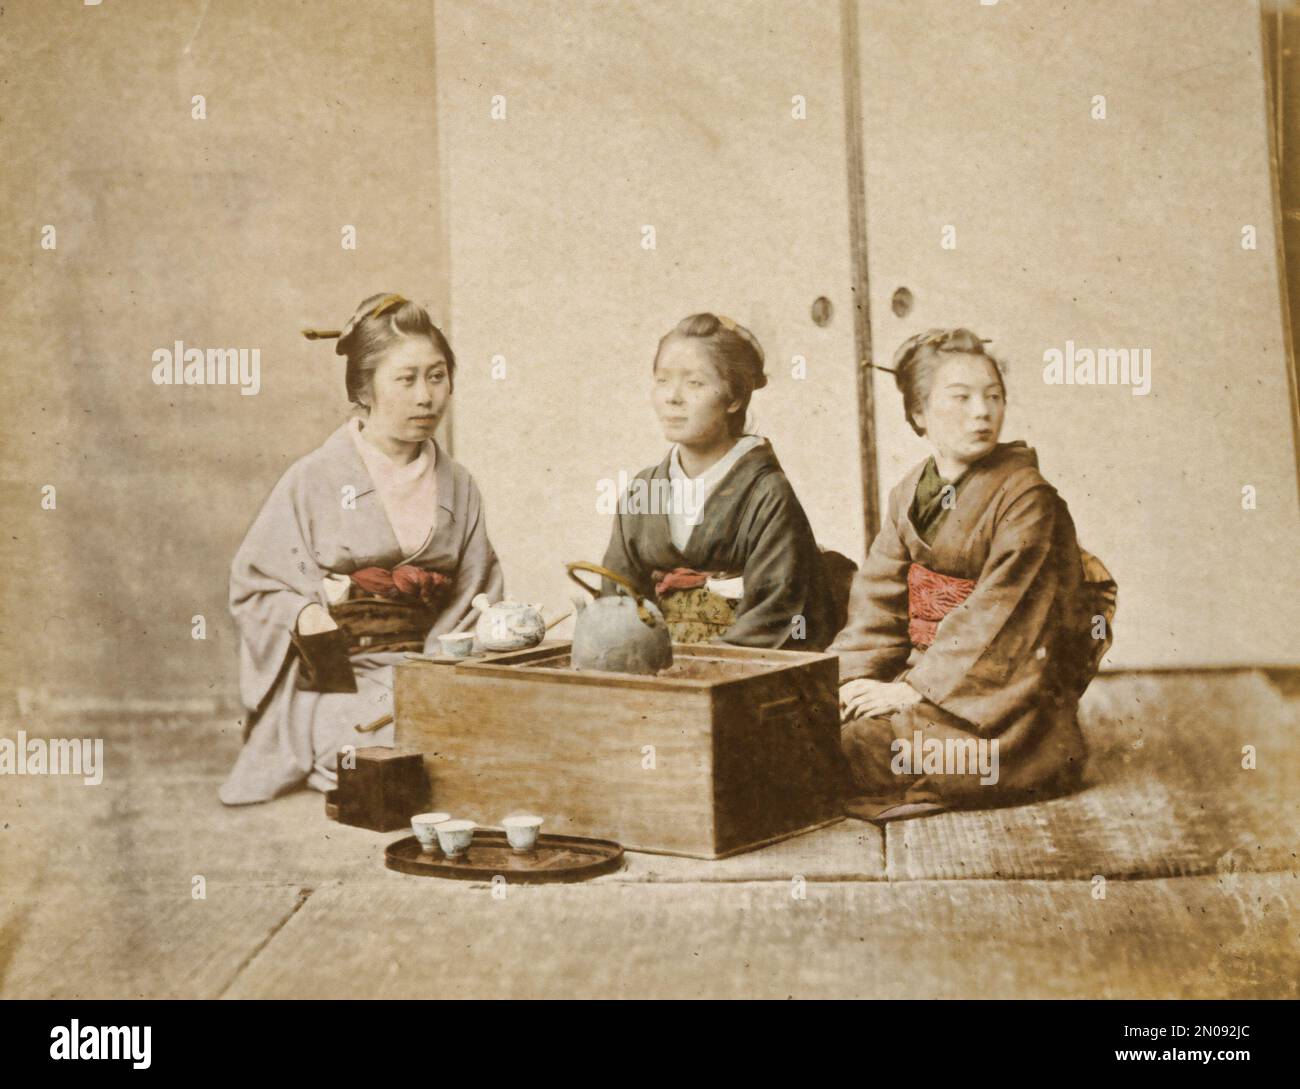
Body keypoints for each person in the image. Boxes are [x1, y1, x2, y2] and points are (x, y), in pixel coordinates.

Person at [220, 293, 504, 805]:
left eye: (437, 377)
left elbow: (476, 591)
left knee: (500, 729)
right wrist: (304, 611)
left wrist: (436, 667)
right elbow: (257, 586)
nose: (426, 397)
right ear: (364, 388)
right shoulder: (314, 478)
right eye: (406, 379)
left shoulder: (458, 484)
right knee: (393, 749)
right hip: (344, 677)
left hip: (434, 667)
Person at [832, 328, 1110, 820]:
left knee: (853, 750)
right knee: (814, 721)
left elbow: (1001, 618)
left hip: (999, 702)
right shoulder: (909, 492)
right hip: (929, 675)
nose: (982, 412)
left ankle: (1027, 760)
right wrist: (846, 679)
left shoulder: (1028, 500)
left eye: (993, 397)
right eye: (960, 398)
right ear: (919, 413)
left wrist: (913, 689)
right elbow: (878, 599)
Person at [600, 312, 837, 650]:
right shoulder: (644, 489)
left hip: (742, 672)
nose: (672, 397)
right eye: (662, 380)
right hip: (653, 668)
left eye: (694, 383)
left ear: (735, 397)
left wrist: (697, 666)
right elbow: (616, 596)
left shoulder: (767, 492)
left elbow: (777, 611)